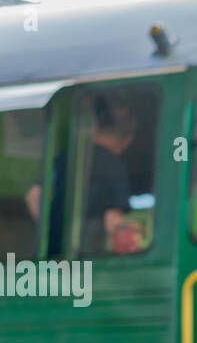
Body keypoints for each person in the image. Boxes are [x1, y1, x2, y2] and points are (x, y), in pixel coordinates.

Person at [24, 94, 142, 255]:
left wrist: (52, 231)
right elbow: (112, 220)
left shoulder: (64, 158)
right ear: (128, 139)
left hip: (46, 258)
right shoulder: (114, 166)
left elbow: (33, 196)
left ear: (95, 128)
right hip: (84, 261)